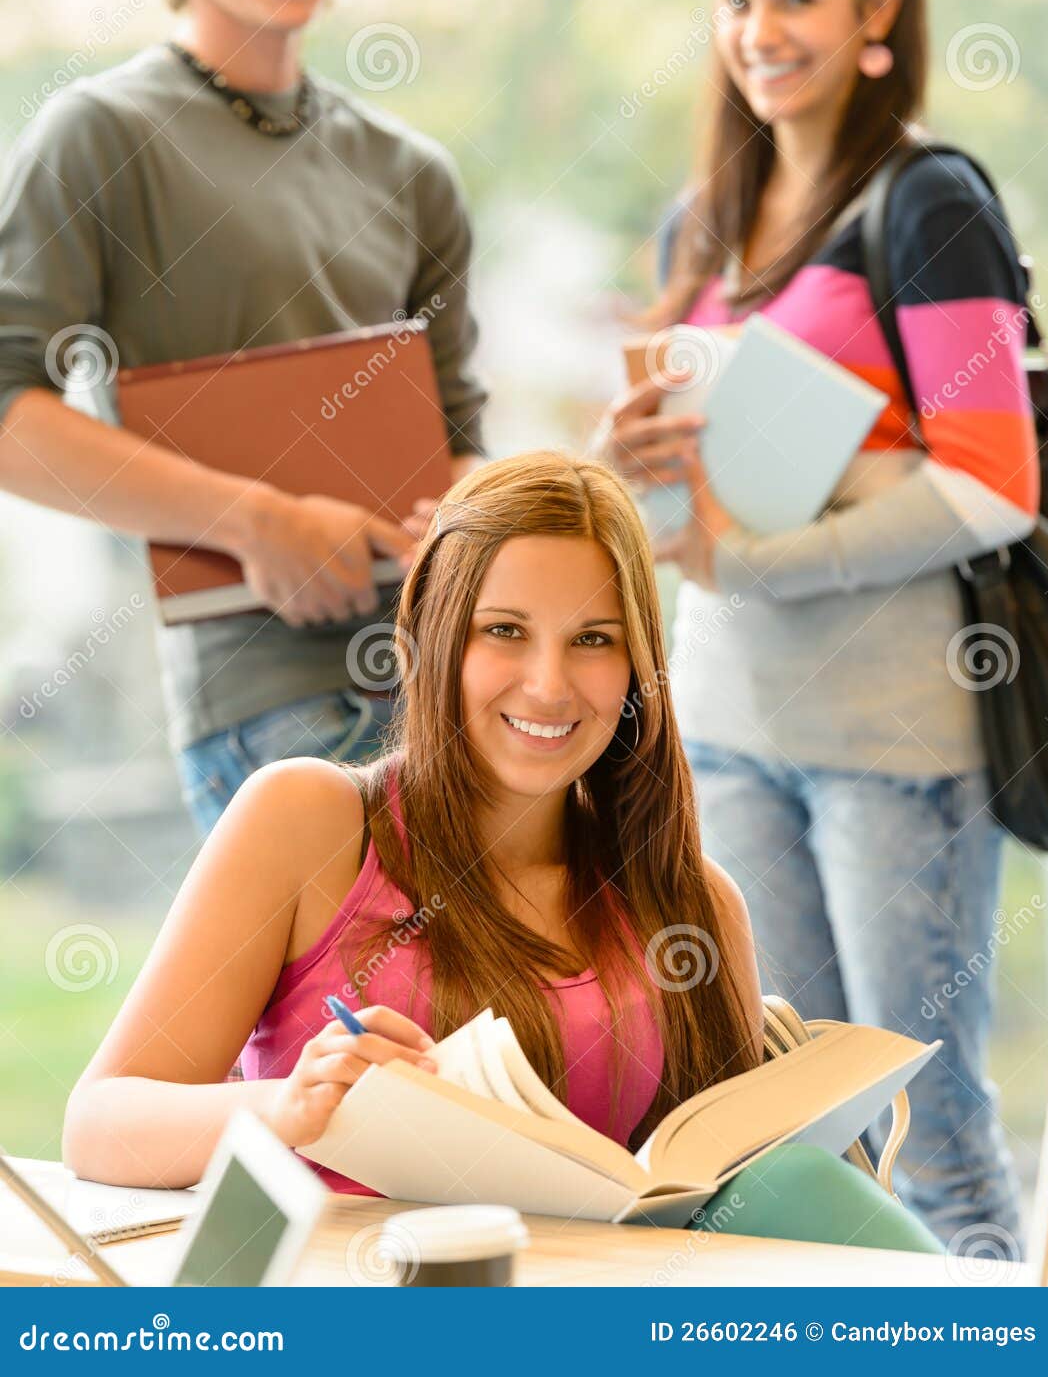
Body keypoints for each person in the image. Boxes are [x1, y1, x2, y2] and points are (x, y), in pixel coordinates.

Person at [599, 0, 1038, 1247]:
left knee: (933, 1127)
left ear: (878, 12)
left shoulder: (935, 207)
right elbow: (704, 506)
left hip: (892, 749)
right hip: (726, 732)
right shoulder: (702, 223)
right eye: (736, 0)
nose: (760, 31)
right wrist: (642, 474)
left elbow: (994, 482)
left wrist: (756, 556)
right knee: (790, 1135)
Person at [61, 452, 764, 1199]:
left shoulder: (693, 904)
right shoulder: (306, 821)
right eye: (503, 630)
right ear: (427, 639)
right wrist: (286, 1106)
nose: (549, 685)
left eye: (593, 639)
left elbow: (738, 1192)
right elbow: (100, 1125)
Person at [0, 0, 487, 834]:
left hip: (451, 679)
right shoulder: (101, 136)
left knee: (482, 1006)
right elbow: (8, 418)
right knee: (338, 1006)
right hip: (270, 700)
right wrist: (253, 519)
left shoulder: (410, 169)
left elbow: (461, 439)